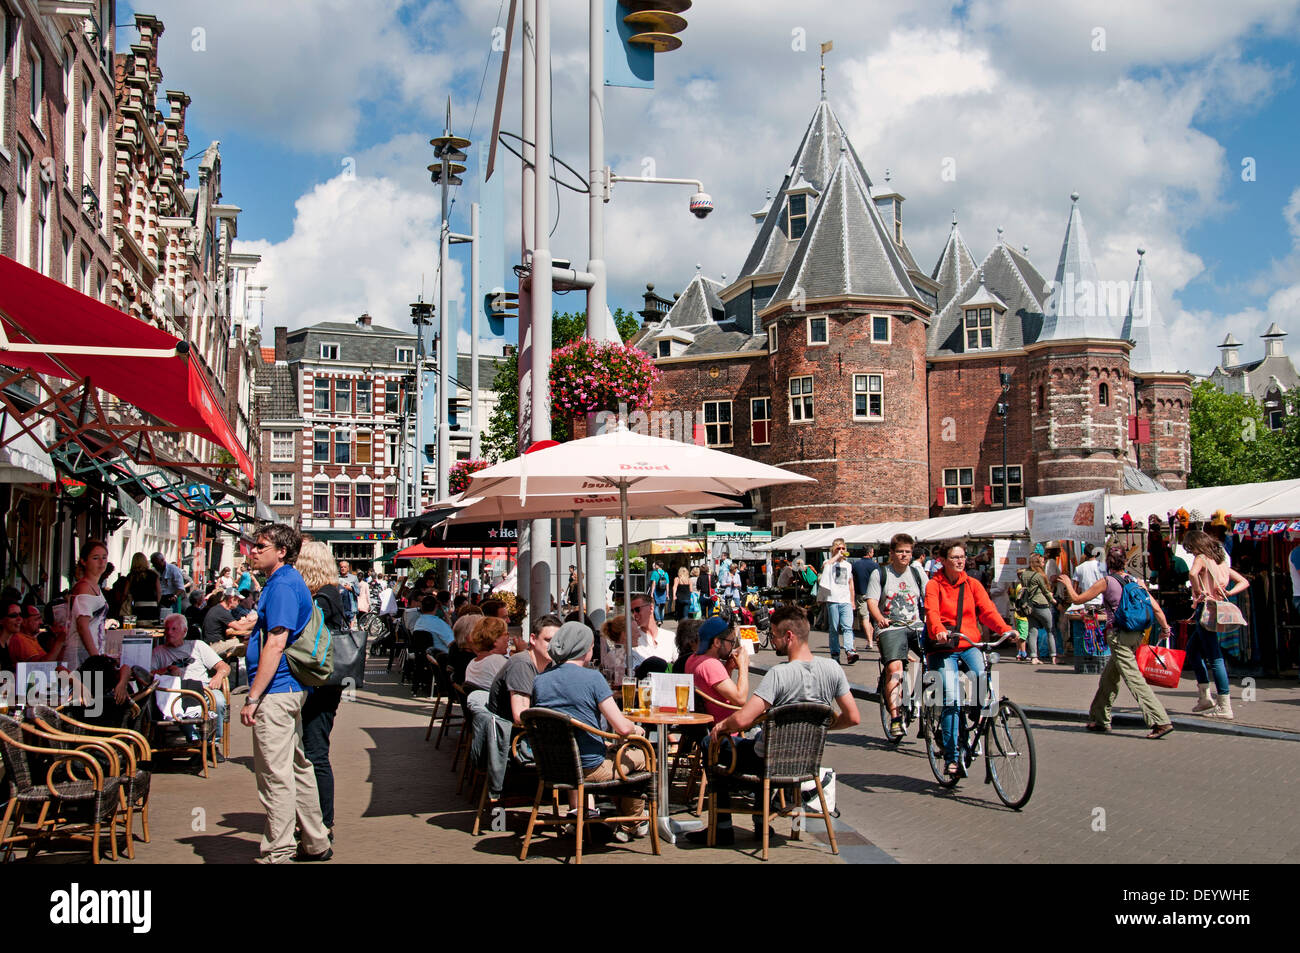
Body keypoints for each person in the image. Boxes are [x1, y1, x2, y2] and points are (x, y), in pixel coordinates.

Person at [694, 605, 858, 845]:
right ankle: (762, 823)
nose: (771, 640)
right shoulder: (832, 669)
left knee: (713, 743)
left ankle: (722, 826)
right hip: (807, 761)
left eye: (773, 635)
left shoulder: (779, 675)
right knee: (757, 738)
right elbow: (853, 717)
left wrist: (722, 727)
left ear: (789, 637)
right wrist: (822, 727)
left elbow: (743, 718)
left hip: (768, 761)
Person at [233, 523, 332, 863]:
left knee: (275, 775)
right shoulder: (282, 583)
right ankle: (316, 841)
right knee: (297, 765)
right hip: (287, 689)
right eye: (254, 545)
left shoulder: (284, 586)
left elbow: (276, 643)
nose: (254, 550)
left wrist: (252, 696)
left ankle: (279, 851)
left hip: (276, 692)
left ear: (282, 552)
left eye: (261, 546)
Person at [530, 621, 649, 842]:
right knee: (640, 755)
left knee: (616, 754)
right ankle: (633, 822)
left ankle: (630, 821)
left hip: (552, 766)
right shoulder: (593, 678)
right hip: (589, 767)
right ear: (585, 649)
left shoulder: (540, 681)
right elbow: (622, 727)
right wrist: (636, 729)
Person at [1058, 545, 1176, 739]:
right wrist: (1164, 628)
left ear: (1107, 564)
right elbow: (1155, 608)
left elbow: (1078, 599)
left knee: (1134, 678)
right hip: (1137, 634)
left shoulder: (1106, 582)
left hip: (1118, 635)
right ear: (1125, 562)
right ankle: (1099, 718)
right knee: (1109, 678)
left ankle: (1160, 720)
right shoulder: (1136, 581)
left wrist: (1067, 583)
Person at [923, 539, 1014, 777]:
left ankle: (976, 712)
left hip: (969, 643)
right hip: (943, 647)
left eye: (963, 556)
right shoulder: (934, 585)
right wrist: (938, 630)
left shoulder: (972, 584)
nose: (961, 561)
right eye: (955, 557)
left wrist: (1004, 629)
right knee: (952, 699)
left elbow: (987, 610)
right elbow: (932, 611)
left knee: (982, 678)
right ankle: (952, 757)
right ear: (943, 560)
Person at [296, 539, 347, 838]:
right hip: (326, 683)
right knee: (315, 749)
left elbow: (307, 636)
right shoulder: (329, 594)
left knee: (315, 751)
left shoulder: (323, 599)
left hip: (322, 683)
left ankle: (323, 823)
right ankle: (317, 819)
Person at [866, 533, 928, 741]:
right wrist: (879, 618)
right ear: (891, 553)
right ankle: (894, 717)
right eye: (900, 551)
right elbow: (872, 602)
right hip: (891, 626)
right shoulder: (880, 573)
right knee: (895, 668)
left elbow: (931, 599)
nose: (904, 555)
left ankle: (930, 707)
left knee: (937, 658)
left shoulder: (918, 574)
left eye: (907, 552)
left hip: (916, 625)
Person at [1184, 529, 1250, 719]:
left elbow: (1192, 573)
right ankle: (1205, 697)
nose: (1190, 552)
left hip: (1206, 609)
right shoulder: (1220, 561)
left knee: (1215, 657)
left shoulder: (1202, 558)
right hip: (1217, 607)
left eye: (1190, 548)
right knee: (1193, 650)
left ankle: (1224, 706)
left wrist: (1198, 593)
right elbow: (1244, 582)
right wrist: (1229, 593)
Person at [150, 612, 232, 753]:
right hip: (176, 692)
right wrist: (166, 670)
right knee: (178, 705)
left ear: (184, 631)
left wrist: (218, 676)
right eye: (167, 629)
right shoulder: (159, 652)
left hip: (203, 688)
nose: (169, 633)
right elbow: (147, 675)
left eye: (174, 629)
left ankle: (213, 744)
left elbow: (224, 667)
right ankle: (196, 740)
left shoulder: (197, 646)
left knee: (218, 701)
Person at [488, 614, 560, 725]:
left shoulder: (552, 664)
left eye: (558, 642)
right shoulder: (521, 665)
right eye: (548, 640)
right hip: (518, 736)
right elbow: (521, 716)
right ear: (533, 639)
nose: (553, 646)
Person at [685, 617, 750, 725]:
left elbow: (717, 691)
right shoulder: (711, 664)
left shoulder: (692, 659)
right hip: (725, 728)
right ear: (717, 642)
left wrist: (728, 668)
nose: (732, 646)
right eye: (731, 641)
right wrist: (743, 667)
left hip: (705, 724)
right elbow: (740, 699)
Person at [62, 539, 111, 669]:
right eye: (95, 558)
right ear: (84, 561)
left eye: (104, 557)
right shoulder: (84, 587)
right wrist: (97, 660)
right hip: (82, 655)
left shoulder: (95, 586)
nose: (101, 562)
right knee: (86, 689)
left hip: (92, 652)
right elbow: (82, 627)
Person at [820, 538, 857, 664]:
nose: (841, 551)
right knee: (834, 628)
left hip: (845, 600)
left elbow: (850, 583)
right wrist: (836, 557)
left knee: (847, 627)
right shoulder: (829, 562)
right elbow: (825, 567)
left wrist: (852, 600)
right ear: (833, 550)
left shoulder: (848, 565)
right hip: (833, 599)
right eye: (838, 548)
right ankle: (835, 653)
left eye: (843, 548)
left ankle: (850, 650)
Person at [1018, 553, 1057, 664]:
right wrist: (1052, 600)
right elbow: (1045, 591)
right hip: (1041, 604)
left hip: (1029, 606)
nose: (1043, 563)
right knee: (1050, 630)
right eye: (1042, 561)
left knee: (1032, 631)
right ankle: (1054, 656)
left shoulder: (1024, 574)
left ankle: (1034, 657)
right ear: (1038, 563)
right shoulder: (1038, 576)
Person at [630, 592, 676, 670]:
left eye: (637, 610)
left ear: (651, 608)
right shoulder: (633, 639)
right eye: (632, 611)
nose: (634, 614)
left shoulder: (670, 636)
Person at [464, 617, 510, 690]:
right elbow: (522, 683)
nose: (508, 638)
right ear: (495, 639)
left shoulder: (471, 664)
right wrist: (523, 653)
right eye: (505, 634)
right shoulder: (497, 661)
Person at [851, 546, 879, 651]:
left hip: (861, 595)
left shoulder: (855, 565)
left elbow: (852, 580)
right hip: (875, 595)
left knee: (865, 618)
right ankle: (876, 639)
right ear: (870, 553)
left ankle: (870, 642)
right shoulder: (875, 565)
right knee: (876, 618)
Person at [122, 552, 161, 622]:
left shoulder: (131, 576)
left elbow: (125, 593)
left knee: (139, 630)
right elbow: (159, 593)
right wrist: (156, 603)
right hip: (153, 609)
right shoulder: (154, 575)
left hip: (138, 607)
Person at [151, 551, 190, 616]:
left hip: (171, 598)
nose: (156, 566)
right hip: (159, 598)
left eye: (157, 564)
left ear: (162, 560)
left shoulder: (173, 569)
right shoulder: (154, 571)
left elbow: (180, 587)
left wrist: (175, 596)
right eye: (154, 564)